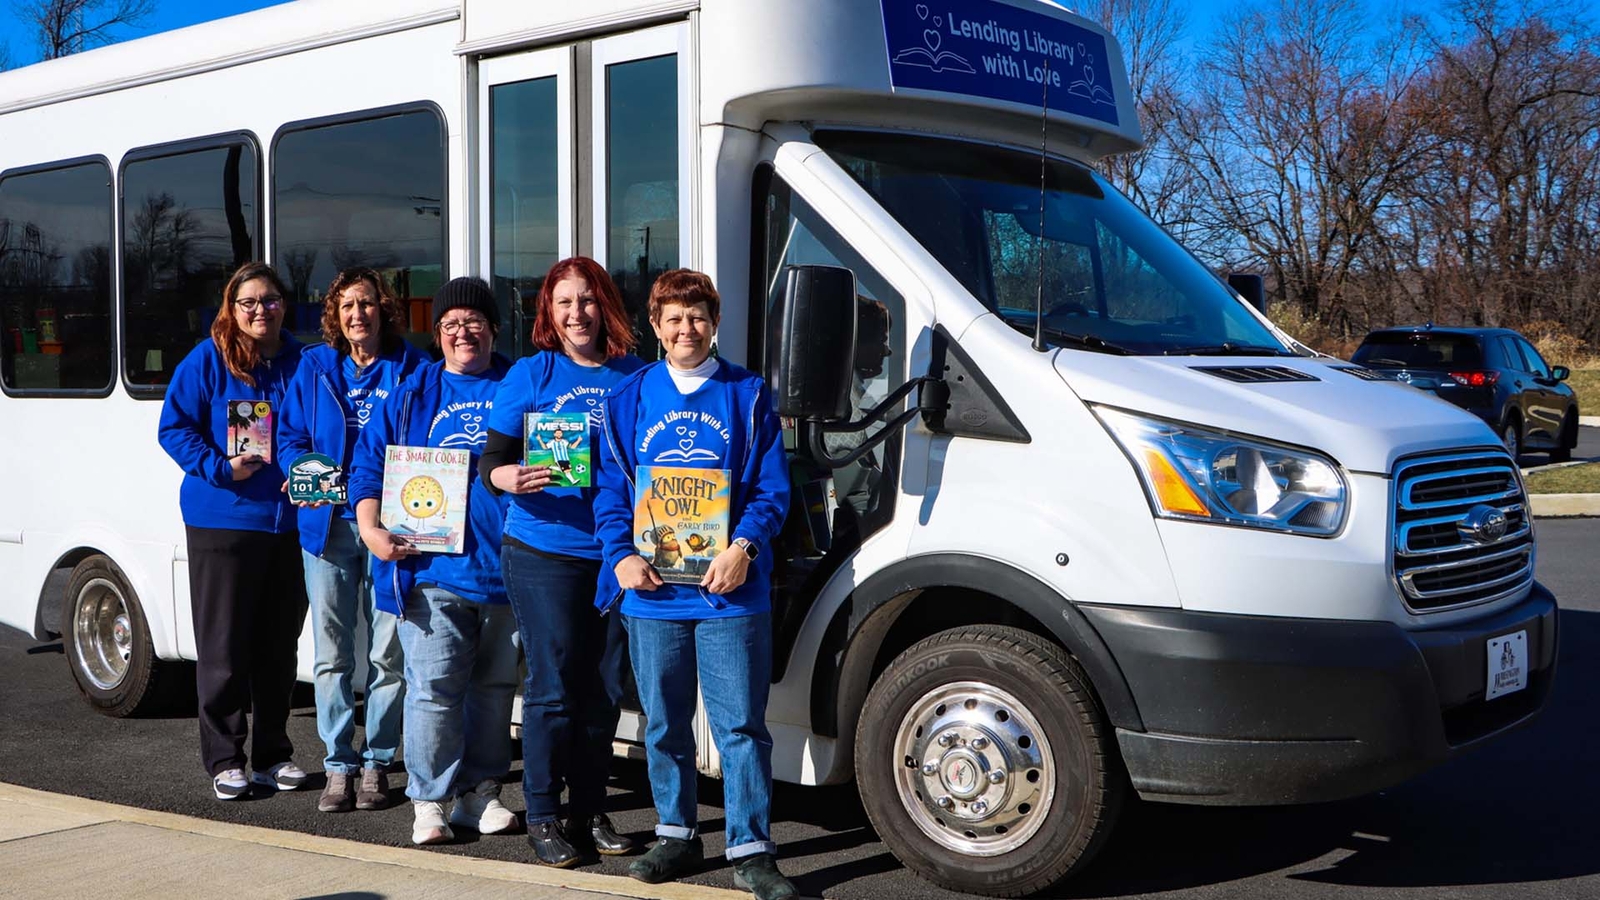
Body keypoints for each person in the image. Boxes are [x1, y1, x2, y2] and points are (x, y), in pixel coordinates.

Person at [592, 269, 798, 900]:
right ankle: (677, 834)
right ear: (655, 326)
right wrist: (621, 556)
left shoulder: (747, 394)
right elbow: (609, 491)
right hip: (653, 593)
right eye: (675, 319)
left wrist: (743, 548)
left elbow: (772, 490)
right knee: (664, 724)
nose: (687, 329)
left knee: (740, 729)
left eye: (698, 317)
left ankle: (752, 850)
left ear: (715, 323)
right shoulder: (628, 398)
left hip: (729, 593)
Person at [479, 257, 645, 867]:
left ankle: (589, 810)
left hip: (616, 557)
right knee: (551, 688)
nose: (578, 313)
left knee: (603, 690)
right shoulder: (532, 373)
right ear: (549, 312)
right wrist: (505, 476)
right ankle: (544, 814)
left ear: (606, 306)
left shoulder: (638, 376)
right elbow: (490, 460)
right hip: (542, 550)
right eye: (565, 302)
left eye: (588, 300)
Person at [346, 277, 517, 846]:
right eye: (450, 325)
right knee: (433, 691)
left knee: (494, 690)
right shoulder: (411, 395)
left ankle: (480, 794)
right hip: (431, 570)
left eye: (474, 322)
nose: (462, 333)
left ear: (494, 329)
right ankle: (429, 800)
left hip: (508, 568)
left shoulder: (520, 387)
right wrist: (370, 529)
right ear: (438, 334)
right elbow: (368, 468)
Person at [157, 261, 309, 801]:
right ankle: (225, 760)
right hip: (223, 521)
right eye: (249, 302)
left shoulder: (304, 362)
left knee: (278, 649)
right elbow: (173, 428)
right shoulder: (208, 358)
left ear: (284, 305)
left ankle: (273, 755)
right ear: (232, 308)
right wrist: (220, 468)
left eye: (270, 300)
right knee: (223, 648)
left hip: (290, 524)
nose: (260, 310)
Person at [278, 267, 427, 814]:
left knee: (388, 652)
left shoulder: (413, 367)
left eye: (366, 303)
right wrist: (301, 472)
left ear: (383, 309)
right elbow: (290, 436)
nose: (357, 314)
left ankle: (378, 761)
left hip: (393, 526)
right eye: (346, 306)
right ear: (334, 317)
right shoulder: (315, 367)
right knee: (332, 653)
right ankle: (339, 764)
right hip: (328, 527)